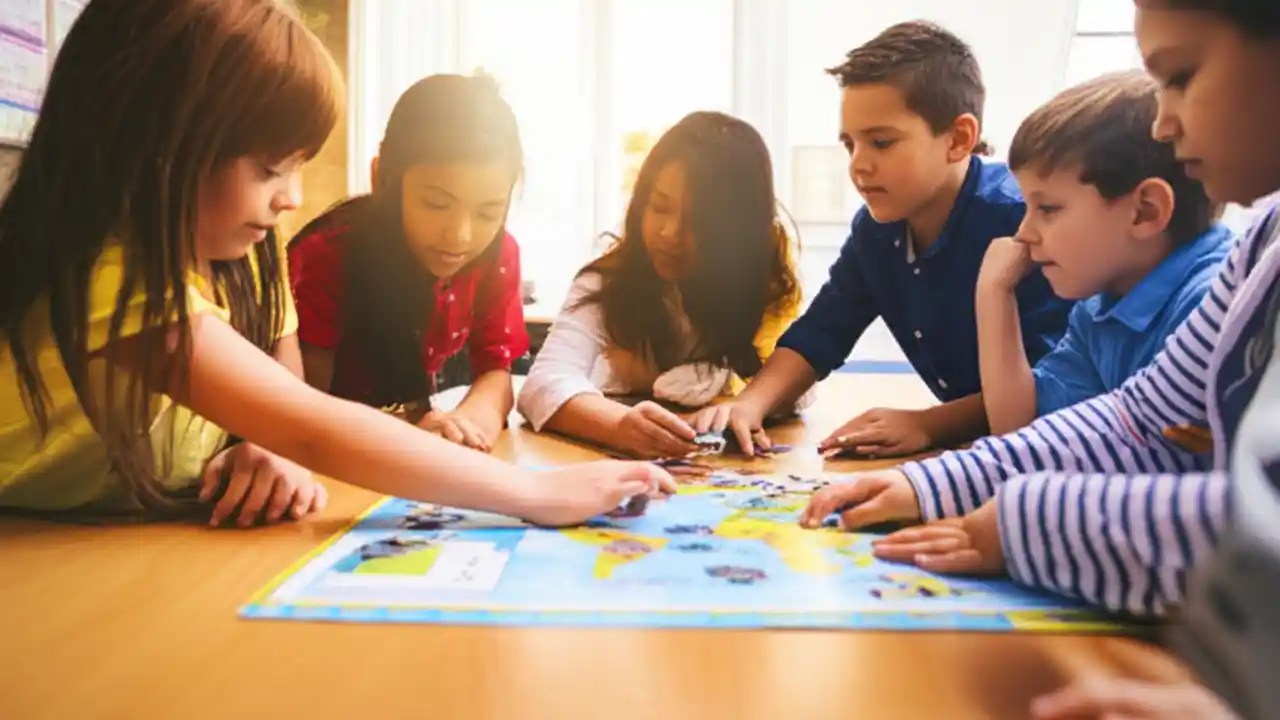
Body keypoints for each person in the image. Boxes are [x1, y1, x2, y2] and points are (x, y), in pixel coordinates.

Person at [0, 0, 670, 529]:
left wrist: (259, 449)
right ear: (155, 148)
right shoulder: (109, 274)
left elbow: (282, 415)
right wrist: (530, 492)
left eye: (296, 166)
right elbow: (311, 424)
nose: (290, 196)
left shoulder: (249, 258)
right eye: (269, 168)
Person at [690, 21, 1072, 457]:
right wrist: (749, 403)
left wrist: (929, 424)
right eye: (850, 144)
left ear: (959, 139)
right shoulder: (876, 230)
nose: (858, 165)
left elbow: (1056, 382)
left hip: (1046, 453)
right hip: (975, 451)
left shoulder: (1023, 222)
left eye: (882, 143)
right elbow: (822, 331)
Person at [518, 112, 802, 459]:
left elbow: (801, 385)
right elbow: (543, 384)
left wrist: (746, 402)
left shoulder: (765, 285)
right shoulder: (608, 281)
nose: (670, 233)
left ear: (736, 232)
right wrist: (620, 425)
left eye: (696, 221)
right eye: (659, 207)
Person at [290, 74, 529, 453]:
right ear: (383, 177)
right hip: (328, 454)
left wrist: (463, 429)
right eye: (436, 203)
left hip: (406, 447)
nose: (460, 236)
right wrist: (402, 434)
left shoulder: (496, 256)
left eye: (488, 212)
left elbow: (497, 374)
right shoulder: (329, 256)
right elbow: (299, 409)